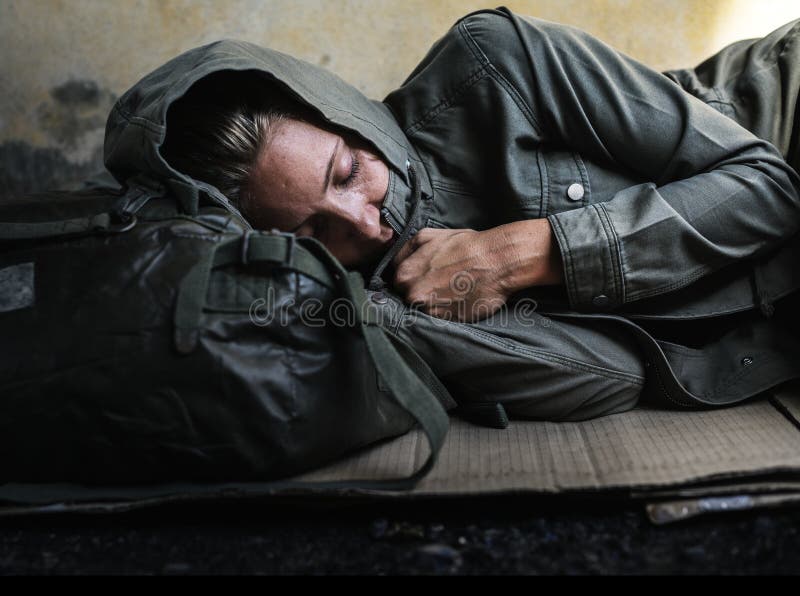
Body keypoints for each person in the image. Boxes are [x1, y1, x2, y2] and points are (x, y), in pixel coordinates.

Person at [105, 7, 800, 421]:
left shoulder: (491, 66)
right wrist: (380, 315)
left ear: (338, 112)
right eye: (312, 233)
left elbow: (770, 189)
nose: (365, 225)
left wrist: (520, 253)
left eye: (348, 173)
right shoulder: (377, 293)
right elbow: (615, 378)